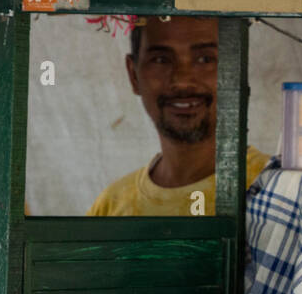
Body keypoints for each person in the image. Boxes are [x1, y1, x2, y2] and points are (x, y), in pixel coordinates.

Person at [87, 15, 269, 219]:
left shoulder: (274, 190)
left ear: (235, 71)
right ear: (134, 75)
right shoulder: (110, 207)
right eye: (161, 60)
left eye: (205, 59)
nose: (182, 81)